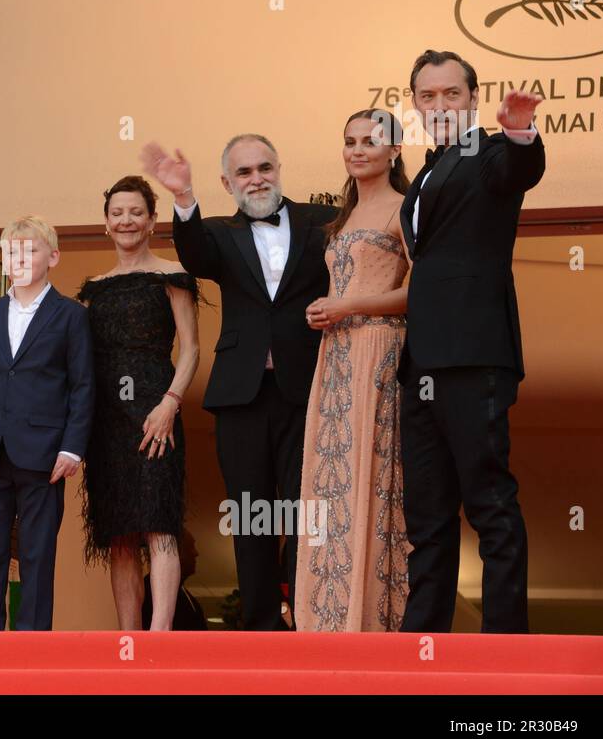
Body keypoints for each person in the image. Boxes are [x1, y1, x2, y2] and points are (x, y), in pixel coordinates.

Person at [141, 134, 337, 631]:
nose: (257, 178)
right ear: (228, 183)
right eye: (244, 173)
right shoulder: (217, 234)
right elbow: (194, 257)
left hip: (307, 389)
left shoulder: (322, 220)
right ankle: (261, 629)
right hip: (240, 395)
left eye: (264, 167)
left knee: (304, 513)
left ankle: (305, 622)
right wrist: (183, 197)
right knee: (251, 515)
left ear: (279, 167)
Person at [397, 50, 546, 634]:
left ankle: (505, 643)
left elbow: (519, 170)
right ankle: (422, 641)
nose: (439, 106)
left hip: (475, 354)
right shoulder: (426, 172)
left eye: (450, 95)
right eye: (427, 97)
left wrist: (520, 133)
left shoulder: (488, 154)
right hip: (423, 363)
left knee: (488, 502)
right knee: (426, 513)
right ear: (415, 105)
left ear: (473, 100)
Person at [294, 109, 412, 632]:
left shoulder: (406, 208)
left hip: (379, 352)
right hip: (336, 356)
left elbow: (417, 292)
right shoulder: (341, 218)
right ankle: (325, 621)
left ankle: (371, 622)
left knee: (370, 478)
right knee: (330, 483)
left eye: (370, 141)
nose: (358, 150)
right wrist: (327, 311)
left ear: (395, 151)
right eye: (350, 141)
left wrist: (348, 305)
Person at [76, 176, 199, 631]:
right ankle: (128, 640)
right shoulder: (93, 288)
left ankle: (160, 637)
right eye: (117, 213)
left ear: (151, 221)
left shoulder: (172, 275)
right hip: (106, 421)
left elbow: (190, 349)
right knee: (120, 535)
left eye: (136, 212)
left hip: (157, 411)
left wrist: (170, 403)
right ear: (106, 224)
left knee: (159, 523)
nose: (126, 220)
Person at [0, 216, 94, 631]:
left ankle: (32, 647)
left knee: (36, 555)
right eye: (12, 252)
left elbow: (82, 385)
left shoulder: (71, 316)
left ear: (52, 256)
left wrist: (72, 448)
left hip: (45, 456)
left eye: (30, 250)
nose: (20, 259)